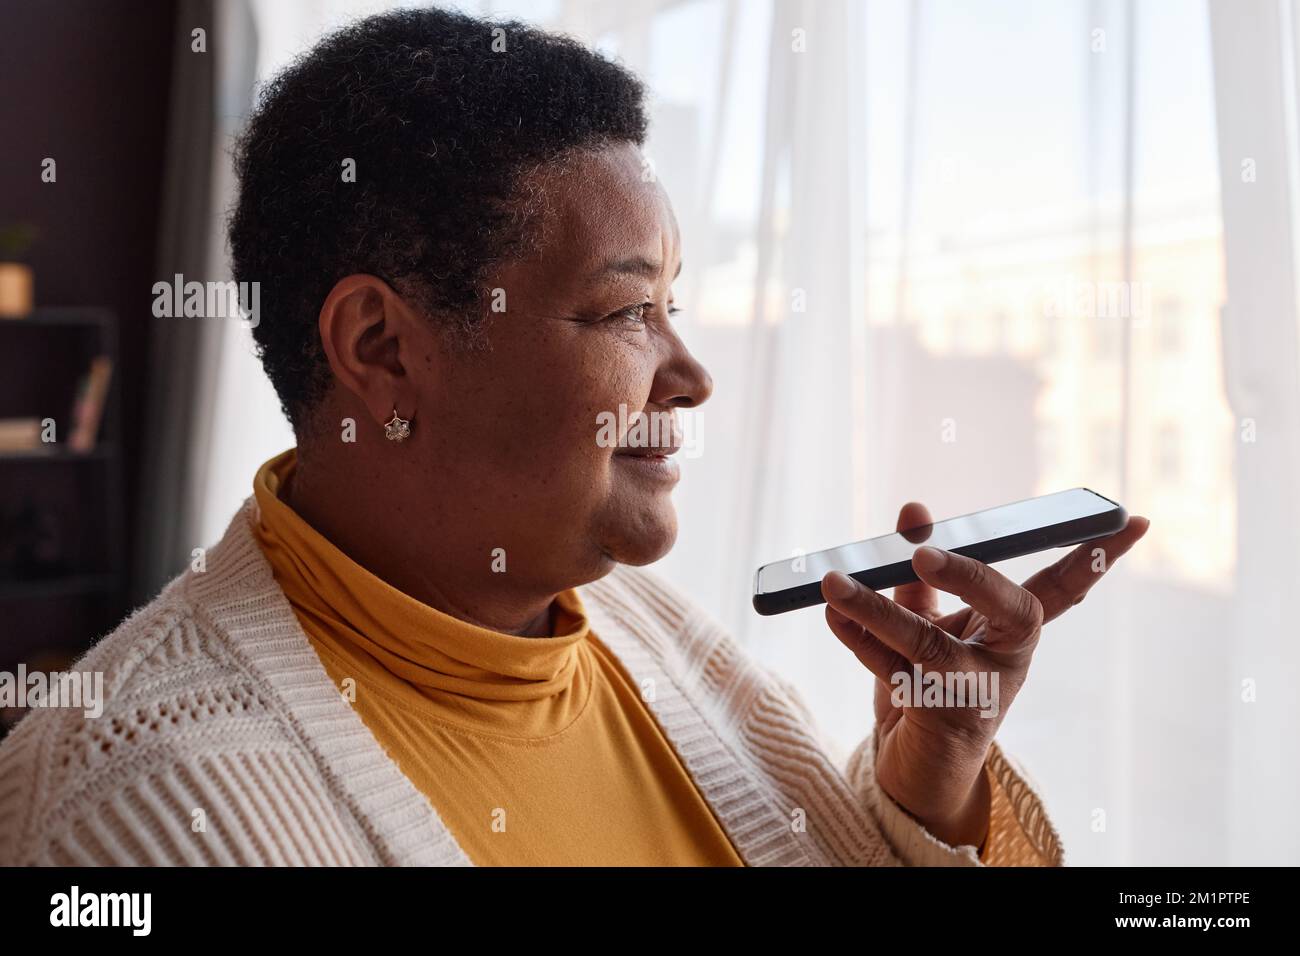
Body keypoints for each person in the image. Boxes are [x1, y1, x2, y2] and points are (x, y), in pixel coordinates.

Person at [0, 7, 1146, 866]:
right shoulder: (141, 810)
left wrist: (927, 792)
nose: (691, 375)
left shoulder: (658, 635)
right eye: (624, 310)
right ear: (382, 349)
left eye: (674, 305)